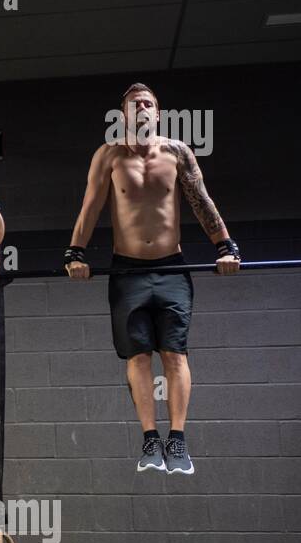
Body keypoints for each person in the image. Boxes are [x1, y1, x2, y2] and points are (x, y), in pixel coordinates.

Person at [65, 82, 240, 475]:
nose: (142, 108)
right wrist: (75, 254)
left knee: (175, 354)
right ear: (123, 114)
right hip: (127, 270)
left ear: (158, 113)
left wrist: (226, 247)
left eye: (149, 103)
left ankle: (177, 441)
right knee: (138, 355)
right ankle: (149, 440)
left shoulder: (177, 153)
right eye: (134, 104)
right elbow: (90, 207)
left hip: (171, 267)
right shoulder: (108, 155)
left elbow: (201, 201)